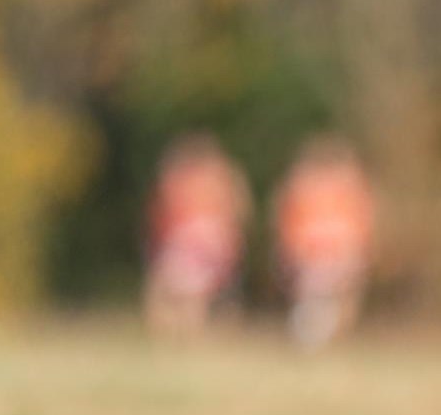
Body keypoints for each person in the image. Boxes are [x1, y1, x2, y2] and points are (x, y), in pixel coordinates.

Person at [273, 136, 376, 349]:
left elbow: (361, 225)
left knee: (342, 296)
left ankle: (333, 338)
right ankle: (316, 336)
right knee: (318, 296)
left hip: (336, 254)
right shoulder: (304, 188)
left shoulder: (347, 189)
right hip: (314, 254)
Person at [144, 133, 249, 338]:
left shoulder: (217, 184)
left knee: (188, 290)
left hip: (204, 250)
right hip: (189, 249)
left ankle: (187, 334)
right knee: (167, 287)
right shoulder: (186, 184)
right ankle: (171, 334)